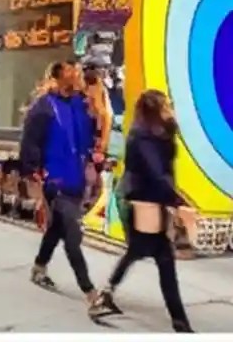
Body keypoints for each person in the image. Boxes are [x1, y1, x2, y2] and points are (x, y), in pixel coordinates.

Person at [88, 90, 194, 332]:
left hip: (151, 202)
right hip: (141, 204)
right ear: (156, 110)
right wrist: (178, 201)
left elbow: (164, 162)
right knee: (156, 256)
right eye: (166, 105)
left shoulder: (156, 133)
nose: (169, 108)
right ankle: (180, 323)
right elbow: (157, 173)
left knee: (142, 253)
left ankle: (106, 295)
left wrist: (171, 124)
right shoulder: (143, 137)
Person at [20, 59, 98, 309]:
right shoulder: (44, 107)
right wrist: (33, 170)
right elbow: (30, 140)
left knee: (58, 228)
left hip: (76, 177)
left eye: (76, 71)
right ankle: (91, 293)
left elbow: (90, 134)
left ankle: (39, 267)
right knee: (72, 235)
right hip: (55, 179)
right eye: (70, 71)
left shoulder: (80, 104)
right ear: (57, 77)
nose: (76, 75)